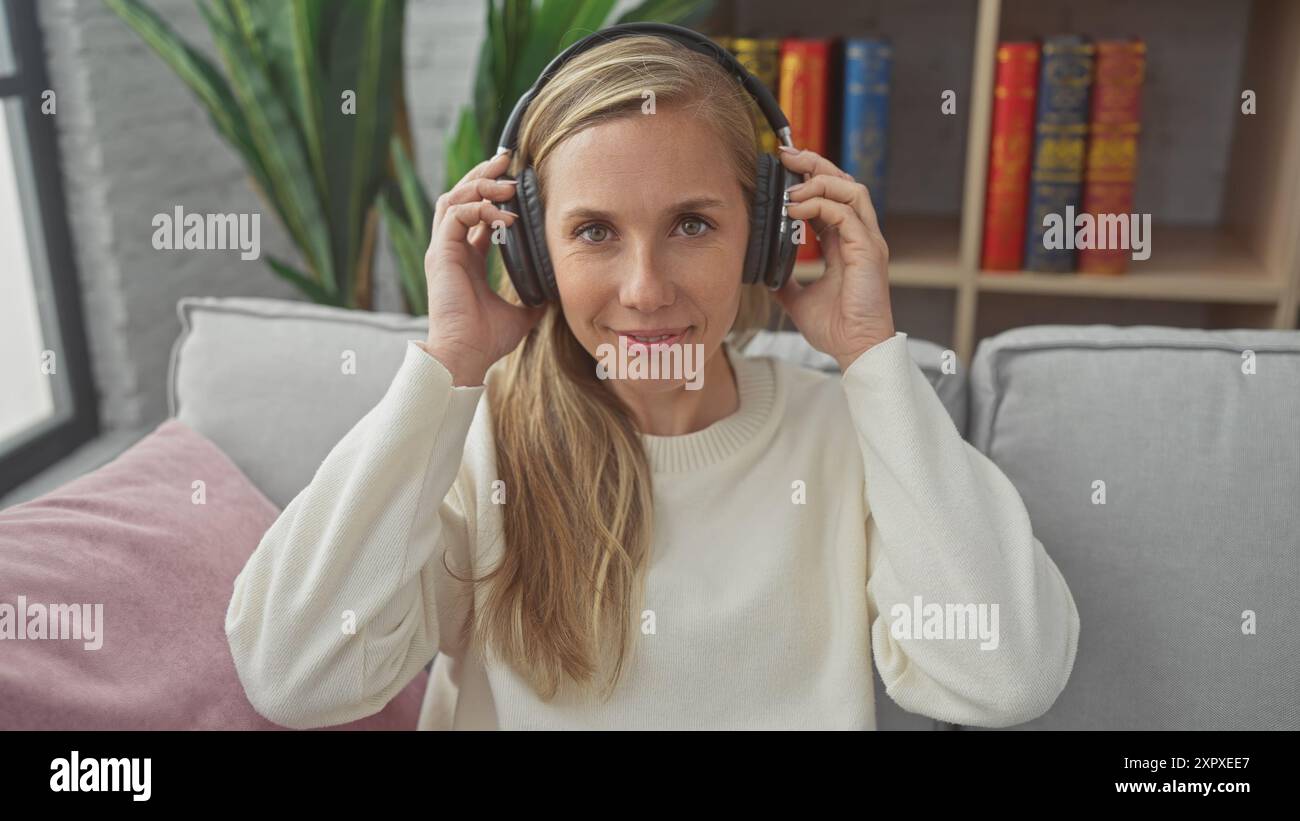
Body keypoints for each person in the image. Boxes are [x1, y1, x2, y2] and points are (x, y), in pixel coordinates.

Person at [224, 32, 1079, 730]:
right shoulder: (472, 444)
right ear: (527, 248)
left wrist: (871, 356)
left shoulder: (850, 436)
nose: (645, 288)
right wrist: (446, 367)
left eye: (693, 224)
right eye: (594, 231)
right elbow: (294, 674)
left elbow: (1005, 676)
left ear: (767, 237)